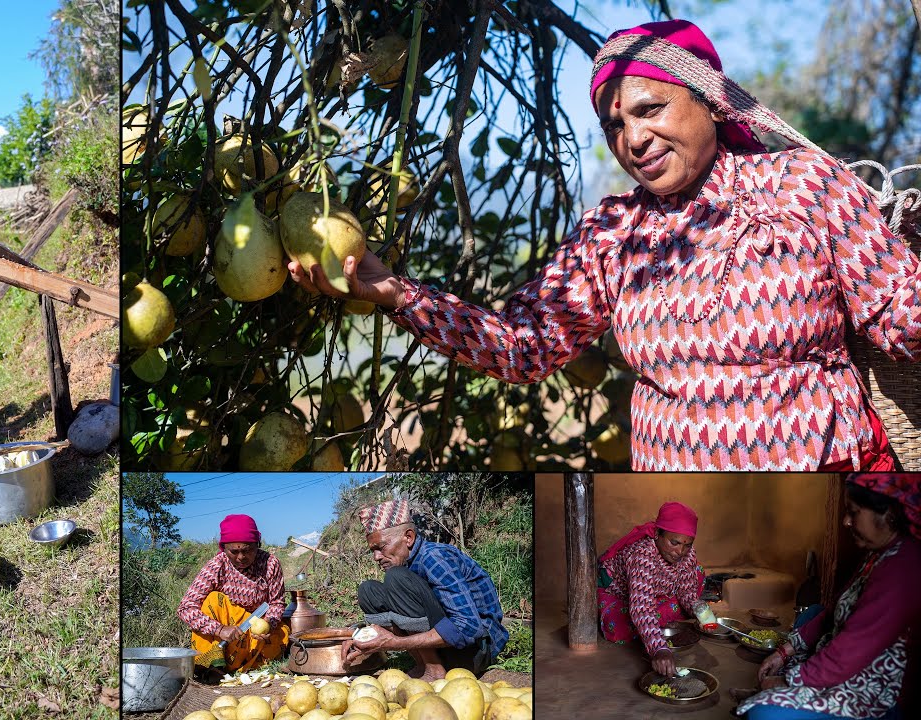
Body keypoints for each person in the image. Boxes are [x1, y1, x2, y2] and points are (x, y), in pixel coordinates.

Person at [288, 18, 920, 472]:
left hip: (823, 481)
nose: (633, 138)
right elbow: (524, 348)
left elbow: (902, 310)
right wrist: (399, 295)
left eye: (651, 109)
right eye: (614, 125)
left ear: (710, 101)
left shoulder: (802, 187)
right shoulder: (612, 233)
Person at [737, 474, 920, 720]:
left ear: (888, 515)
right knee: (812, 613)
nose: (846, 521)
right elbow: (832, 612)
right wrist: (784, 651)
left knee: (764, 714)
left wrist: (787, 681)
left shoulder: (902, 566)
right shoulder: (876, 555)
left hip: (872, 689)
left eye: (853, 512)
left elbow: (850, 651)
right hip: (846, 666)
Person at [344, 499, 508, 680]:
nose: (376, 557)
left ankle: (434, 670)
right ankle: (422, 664)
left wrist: (395, 643)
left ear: (408, 537)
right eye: (372, 551)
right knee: (369, 590)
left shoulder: (434, 558)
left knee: (396, 578)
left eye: (381, 547)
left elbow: (469, 627)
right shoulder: (407, 563)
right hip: (446, 648)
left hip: (474, 652)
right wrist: (362, 637)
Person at [595, 501, 705, 677]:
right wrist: (659, 649)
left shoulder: (688, 554)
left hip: (651, 592)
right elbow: (642, 607)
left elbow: (687, 590)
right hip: (620, 592)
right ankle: (655, 621)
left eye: (687, 544)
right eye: (674, 543)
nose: (680, 551)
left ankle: (654, 619)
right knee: (618, 629)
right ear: (656, 534)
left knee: (697, 572)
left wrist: (701, 611)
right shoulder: (641, 555)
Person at [176, 514, 288, 673]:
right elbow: (186, 608)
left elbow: (276, 603)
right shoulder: (217, 566)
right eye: (234, 552)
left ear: (258, 544)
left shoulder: (270, 563)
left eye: (248, 550)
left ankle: (251, 662)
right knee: (213, 599)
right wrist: (219, 629)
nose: (241, 557)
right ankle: (213, 666)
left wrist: (269, 624)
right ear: (223, 548)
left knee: (282, 633)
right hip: (227, 636)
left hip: (258, 634)